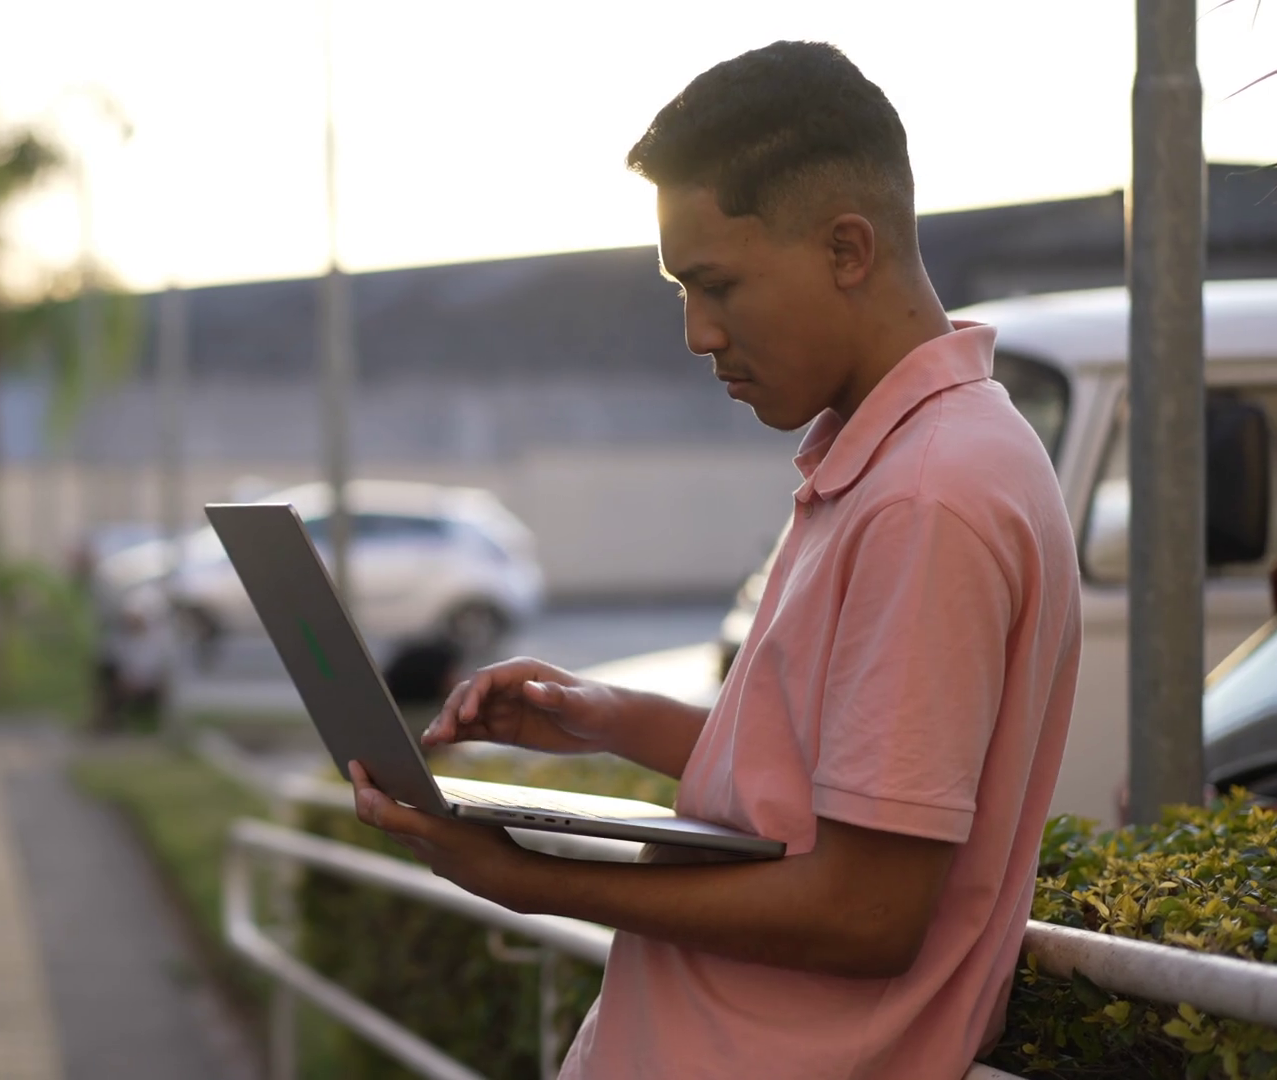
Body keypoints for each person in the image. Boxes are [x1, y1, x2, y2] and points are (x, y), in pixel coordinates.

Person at [344, 40, 1083, 1079]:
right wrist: (605, 715)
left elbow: (867, 912)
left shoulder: (931, 494)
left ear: (846, 248)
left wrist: (533, 880)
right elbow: (830, 786)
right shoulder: (907, 459)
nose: (697, 332)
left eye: (718, 283)